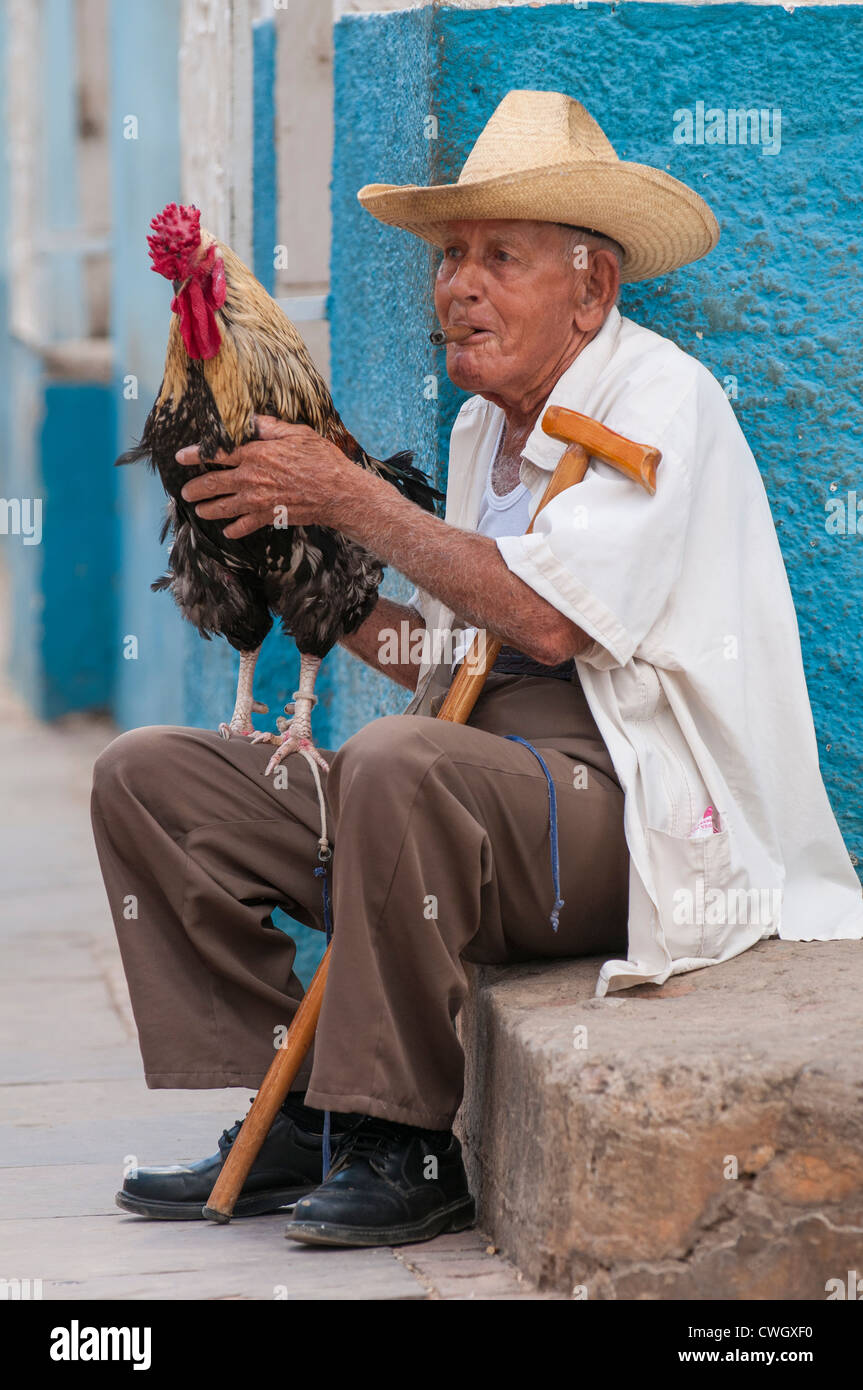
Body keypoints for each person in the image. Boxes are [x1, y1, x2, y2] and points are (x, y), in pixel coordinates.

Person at [91, 90, 863, 1249]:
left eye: (499, 256)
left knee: (399, 765)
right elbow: (448, 664)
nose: (456, 284)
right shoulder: (475, 434)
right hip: (469, 792)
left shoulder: (660, 399)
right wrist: (317, 582)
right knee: (150, 777)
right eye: (451, 255)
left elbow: (547, 627)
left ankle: (403, 1135)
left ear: (591, 286)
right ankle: (299, 1109)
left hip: (629, 815)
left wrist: (349, 497)